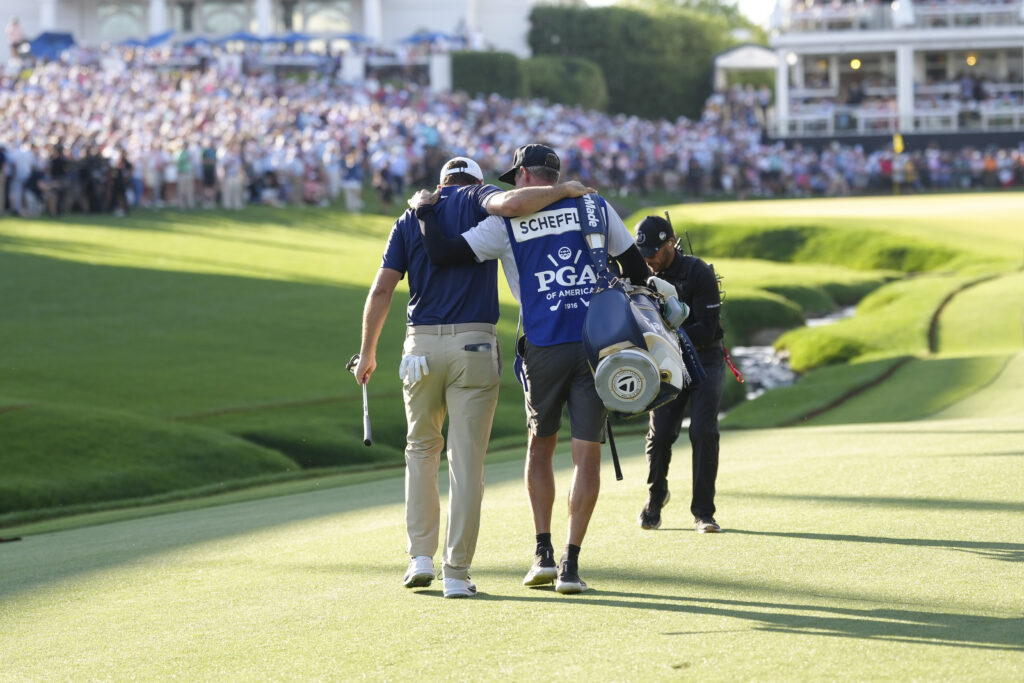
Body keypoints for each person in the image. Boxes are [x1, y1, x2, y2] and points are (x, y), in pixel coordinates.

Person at [414, 143, 650, 594]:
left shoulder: (507, 221)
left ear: (523, 176)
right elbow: (635, 267)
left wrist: (424, 212)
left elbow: (442, 254)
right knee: (587, 452)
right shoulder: (594, 205)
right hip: (597, 344)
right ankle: (571, 564)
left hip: (543, 344)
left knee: (541, 446)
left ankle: (542, 553)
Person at [354, 155, 594, 599]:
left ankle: (418, 558)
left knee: (420, 452)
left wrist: (367, 353)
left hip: (418, 348)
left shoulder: (410, 216)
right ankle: (456, 573)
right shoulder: (481, 199)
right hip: (475, 345)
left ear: (441, 182)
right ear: (475, 182)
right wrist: (564, 190)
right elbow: (511, 204)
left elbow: (382, 289)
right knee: (465, 465)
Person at [633, 215, 725, 534]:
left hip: (705, 358)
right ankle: (655, 499)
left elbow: (707, 328)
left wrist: (670, 331)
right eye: (643, 251)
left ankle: (703, 513)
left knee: (702, 431)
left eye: (654, 251)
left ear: (670, 243)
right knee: (659, 436)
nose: (649, 258)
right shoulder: (641, 273)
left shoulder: (698, 272)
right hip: (665, 362)